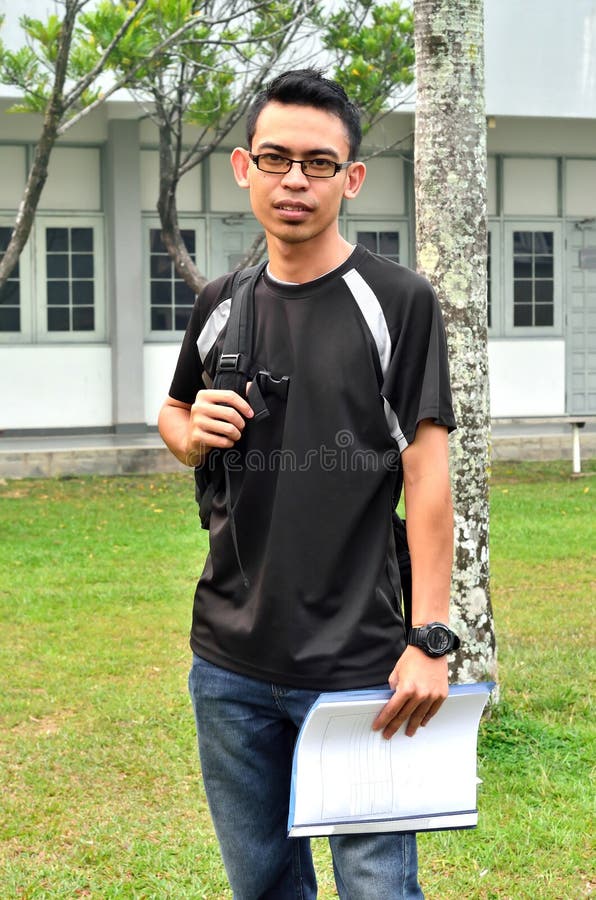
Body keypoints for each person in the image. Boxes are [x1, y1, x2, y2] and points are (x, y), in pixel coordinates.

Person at [158, 68, 457, 900]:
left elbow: (427, 473)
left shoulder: (397, 303)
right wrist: (190, 436)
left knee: (377, 888)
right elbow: (175, 413)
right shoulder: (219, 303)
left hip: (361, 663)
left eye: (319, 163)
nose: (295, 179)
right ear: (243, 168)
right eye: (276, 157)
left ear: (351, 178)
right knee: (261, 886)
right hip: (228, 663)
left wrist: (430, 637)